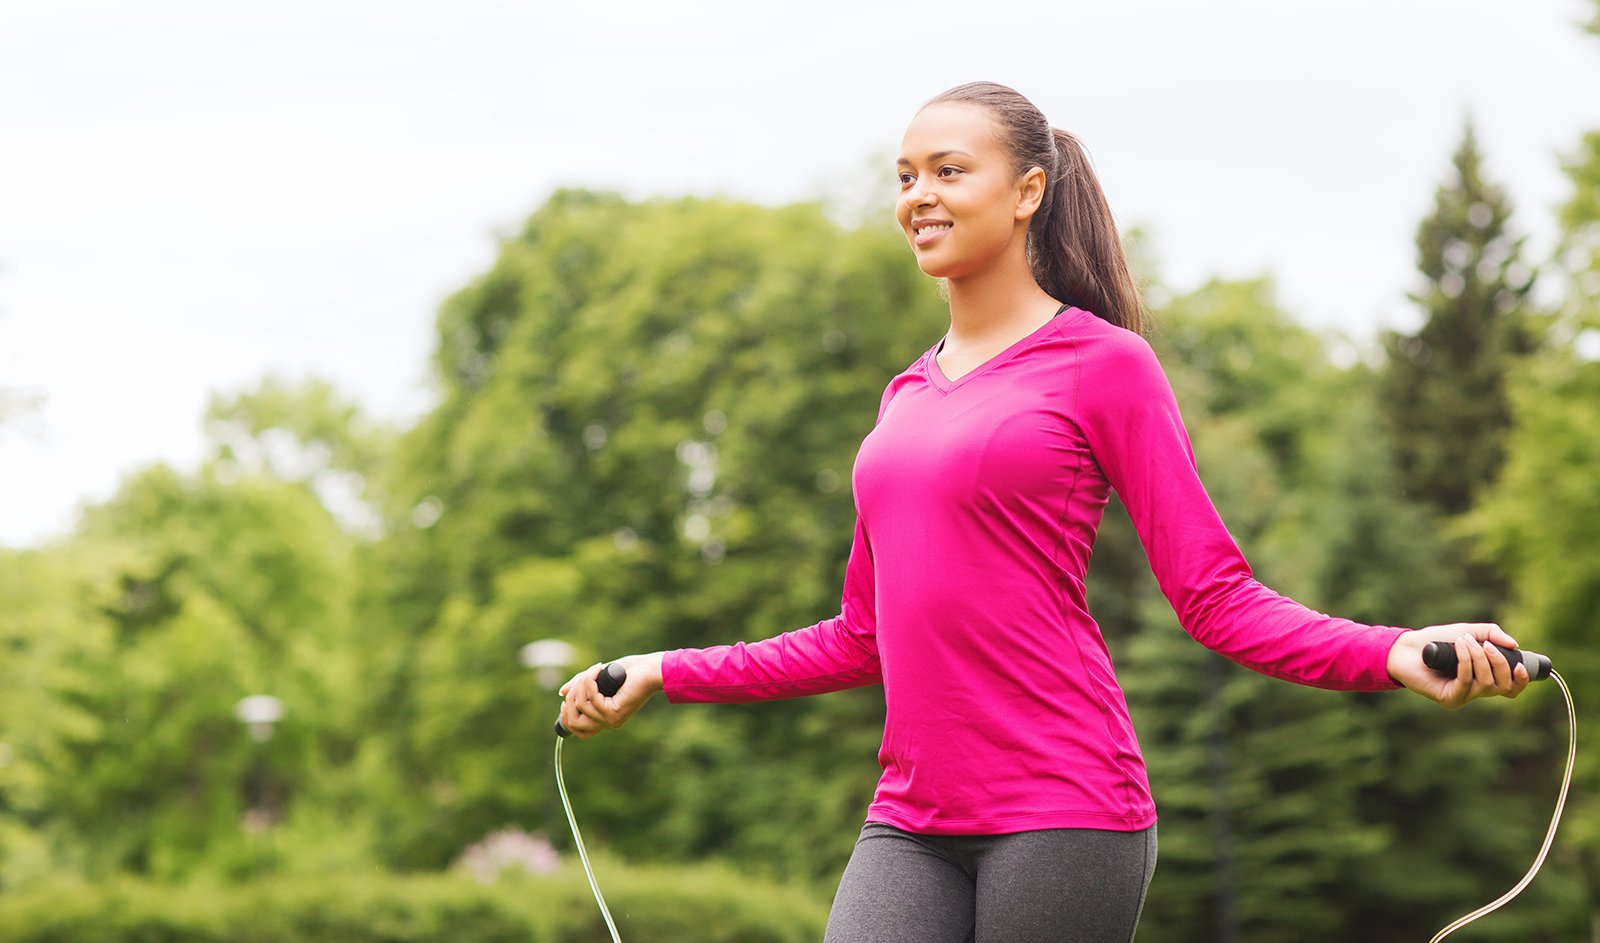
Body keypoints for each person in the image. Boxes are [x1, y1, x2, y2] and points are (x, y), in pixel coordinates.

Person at [557, 81, 1529, 943]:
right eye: (904, 176)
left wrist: (1390, 649)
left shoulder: (1103, 364)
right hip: (911, 818)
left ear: (1027, 192)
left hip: (1063, 808)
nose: (917, 196)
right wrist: (662, 669)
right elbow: (862, 637)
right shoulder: (903, 397)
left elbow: (1215, 597)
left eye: (947, 169)